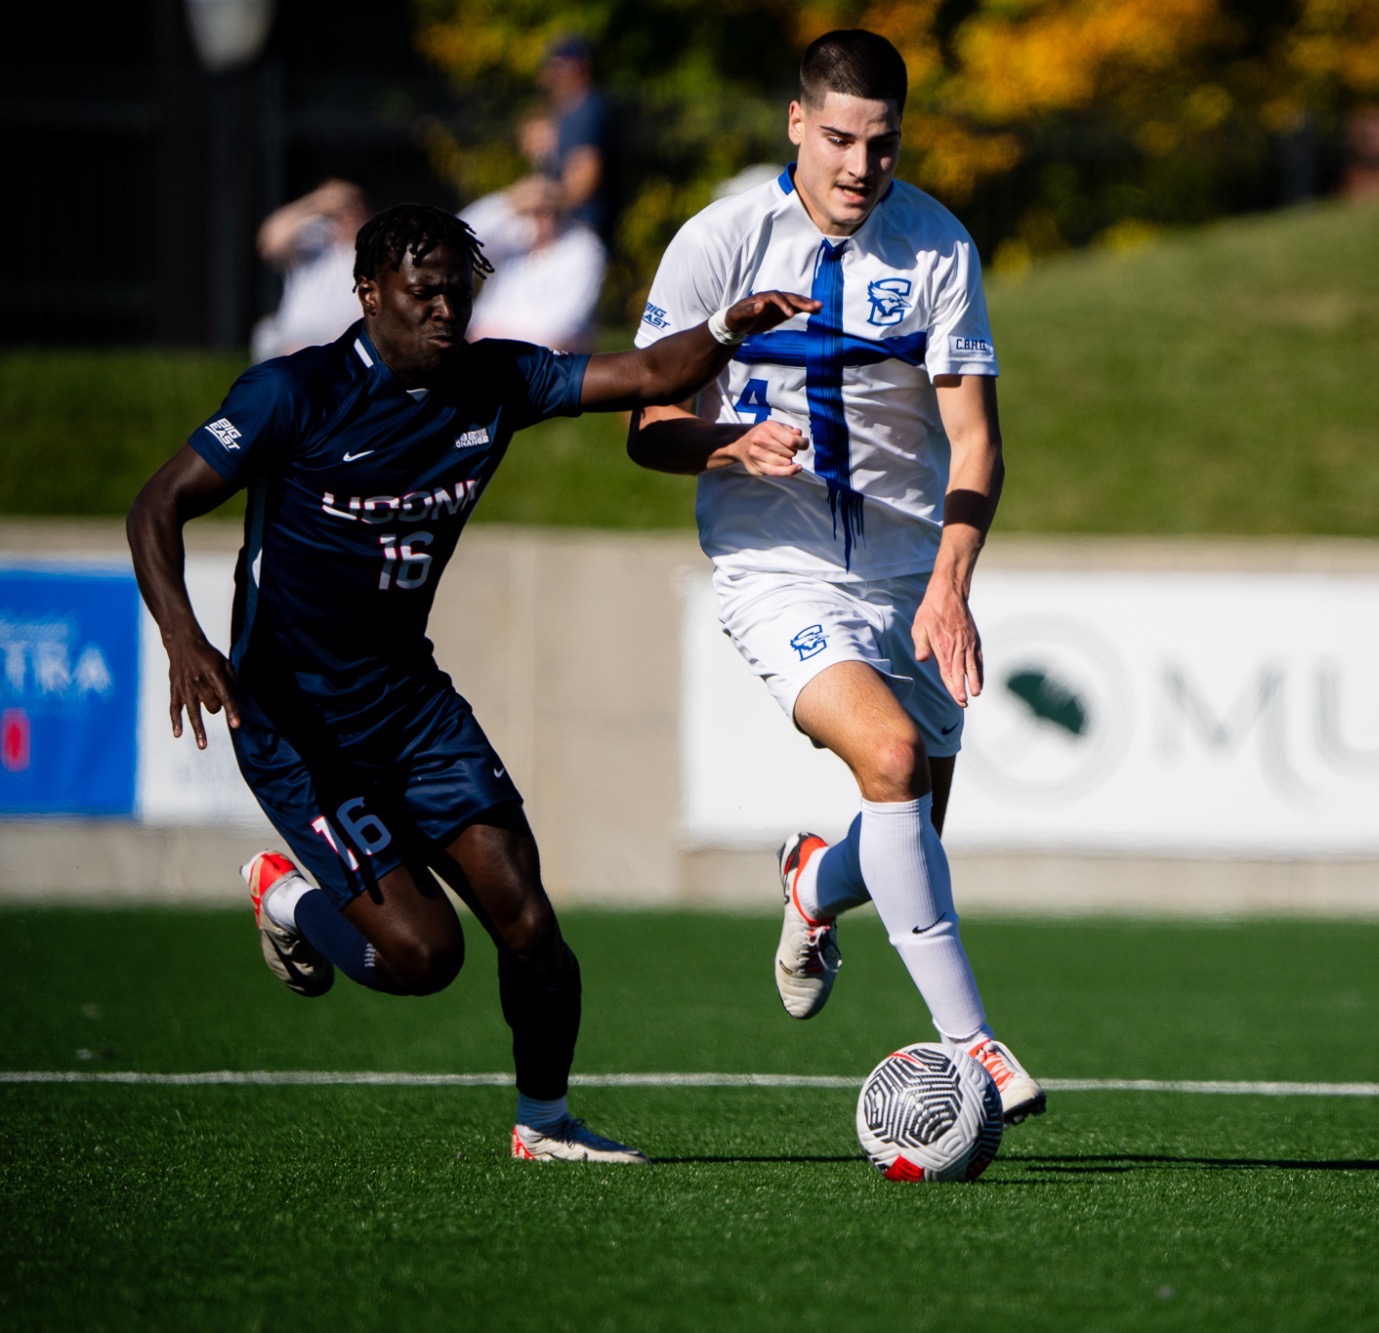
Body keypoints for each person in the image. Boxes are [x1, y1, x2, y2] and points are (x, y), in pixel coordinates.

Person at [127, 203, 816, 1163]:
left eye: (460, 290)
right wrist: (184, 637)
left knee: (529, 920)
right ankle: (288, 896)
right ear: (369, 295)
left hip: (411, 707)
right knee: (422, 958)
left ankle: (545, 1122)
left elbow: (652, 376)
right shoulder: (292, 394)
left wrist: (730, 328)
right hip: (297, 727)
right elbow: (157, 503)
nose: (447, 310)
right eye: (424, 293)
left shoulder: (497, 379)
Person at [627, 30, 1044, 1125]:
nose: (862, 167)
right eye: (843, 140)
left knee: (908, 821)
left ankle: (814, 880)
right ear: (797, 125)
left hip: (913, 569)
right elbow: (648, 426)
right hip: (776, 566)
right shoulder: (718, 241)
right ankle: (975, 1050)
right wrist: (725, 445)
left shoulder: (938, 247)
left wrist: (950, 581)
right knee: (893, 755)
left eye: (885, 144)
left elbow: (976, 443)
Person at [461, 176, 607, 352]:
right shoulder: (513, 236)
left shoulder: (584, 249)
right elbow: (457, 238)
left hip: (544, 353)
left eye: (547, 210)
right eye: (532, 211)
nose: (539, 218)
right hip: (486, 343)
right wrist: (507, 202)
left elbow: (567, 321)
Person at [251, 179, 370, 362]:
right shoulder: (313, 238)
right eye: (340, 206)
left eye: (352, 203)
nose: (346, 212)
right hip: (296, 337)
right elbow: (270, 243)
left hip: (347, 341)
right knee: (268, 336)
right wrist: (316, 203)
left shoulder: (375, 249)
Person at [535, 36, 614, 237]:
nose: (555, 74)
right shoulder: (567, 111)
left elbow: (586, 179)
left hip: (584, 227)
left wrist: (542, 202)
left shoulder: (588, 110)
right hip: (570, 225)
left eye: (561, 67)